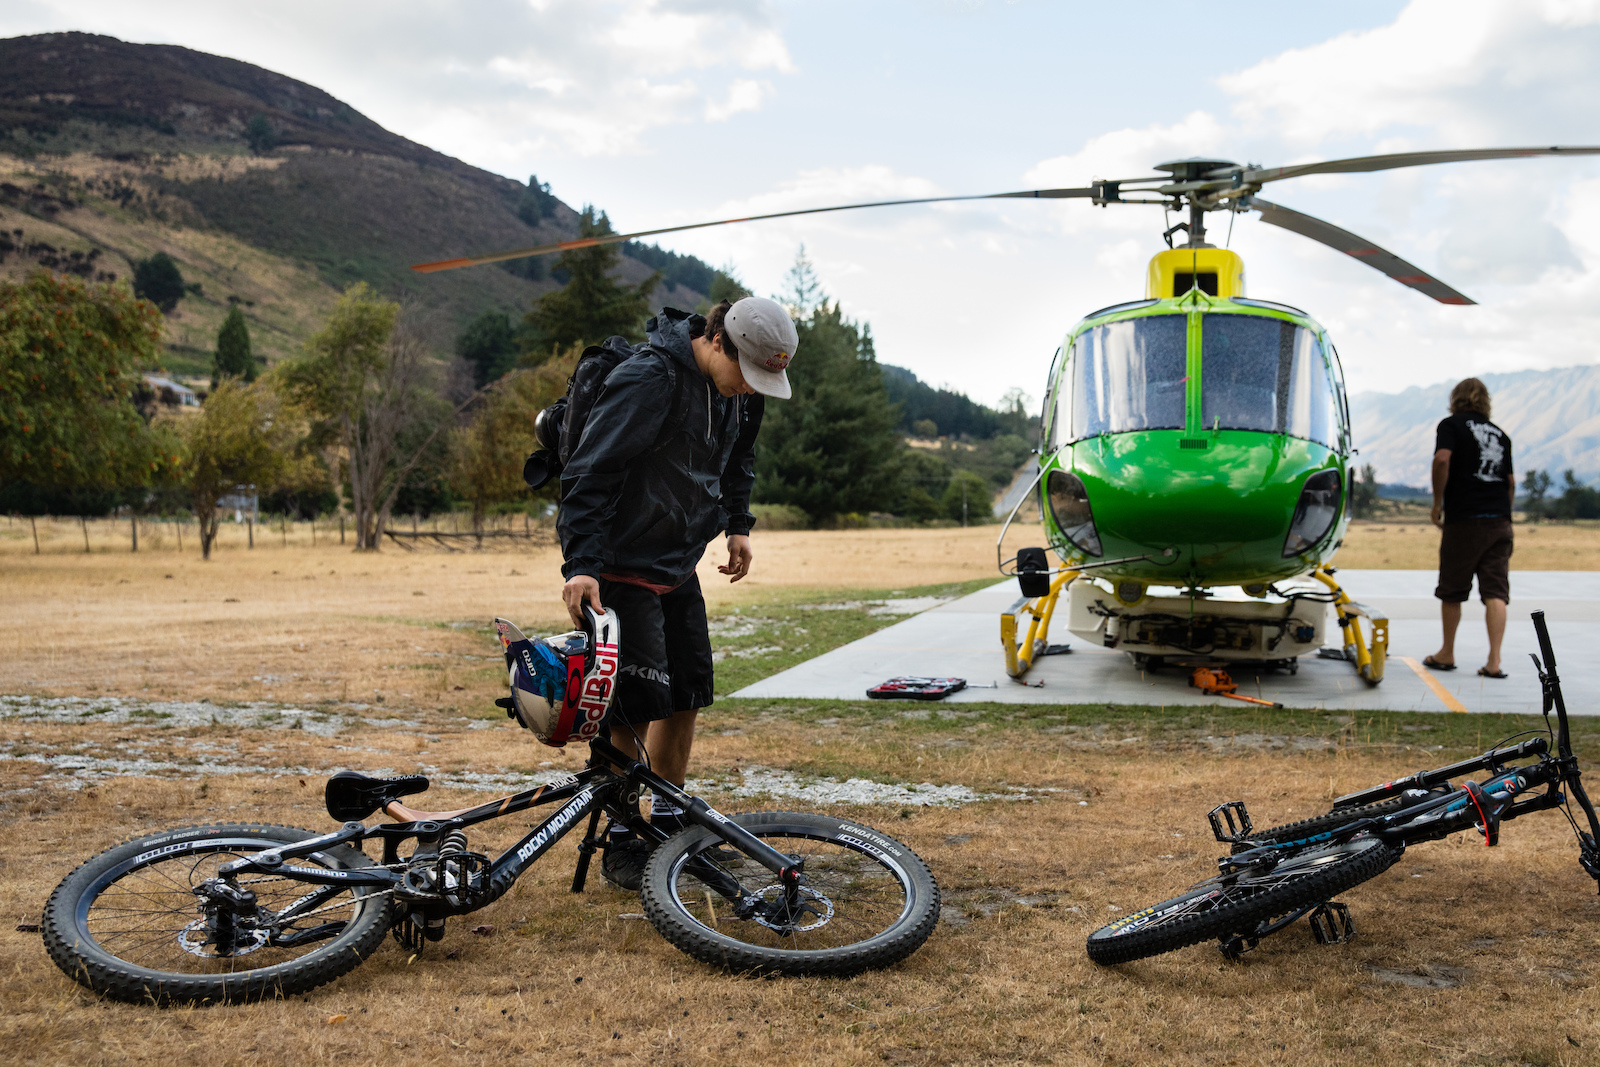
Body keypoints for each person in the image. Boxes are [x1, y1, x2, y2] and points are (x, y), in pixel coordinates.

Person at [557, 296, 798, 889]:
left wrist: (737, 523)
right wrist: (582, 563)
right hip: (620, 562)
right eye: (747, 372)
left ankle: (669, 822)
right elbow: (592, 469)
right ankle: (621, 838)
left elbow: (740, 457)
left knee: (688, 691)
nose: (752, 387)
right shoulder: (650, 379)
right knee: (634, 705)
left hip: (677, 562)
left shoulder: (738, 392)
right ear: (718, 341)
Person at [1424, 377, 1515, 678]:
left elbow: (1441, 460)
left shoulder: (1450, 426)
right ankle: (1494, 661)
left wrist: (1438, 503)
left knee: (1452, 589)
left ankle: (1447, 653)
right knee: (1496, 591)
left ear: (1456, 399)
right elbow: (1511, 482)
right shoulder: (1501, 435)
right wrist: (1503, 512)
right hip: (1500, 520)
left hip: (1465, 518)